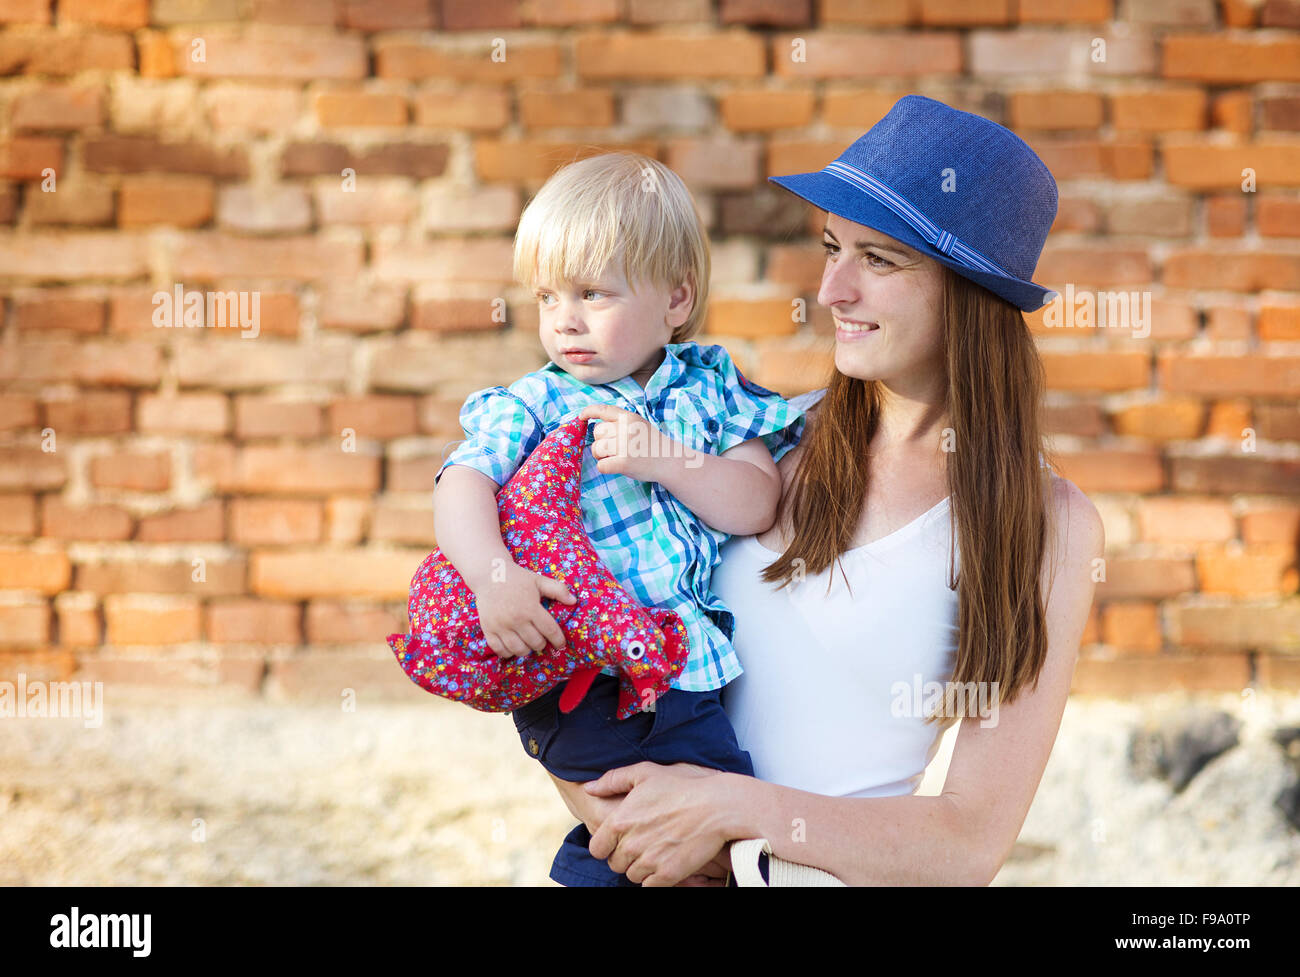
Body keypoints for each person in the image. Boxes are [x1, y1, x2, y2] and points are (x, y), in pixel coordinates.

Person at [544, 94, 1105, 886]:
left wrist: (730, 810)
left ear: (972, 294)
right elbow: (567, 639)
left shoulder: (1048, 525)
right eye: (832, 248)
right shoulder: (753, 438)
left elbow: (967, 842)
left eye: (878, 260)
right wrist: (618, 819)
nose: (833, 289)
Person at [431, 151, 807, 886]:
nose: (564, 321)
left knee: (696, 837)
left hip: (682, 674)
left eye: (592, 294)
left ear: (675, 299)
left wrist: (669, 460)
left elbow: (756, 497)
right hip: (587, 671)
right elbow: (462, 479)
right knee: (693, 840)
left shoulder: (708, 390)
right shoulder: (539, 402)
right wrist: (492, 574)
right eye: (547, 298)